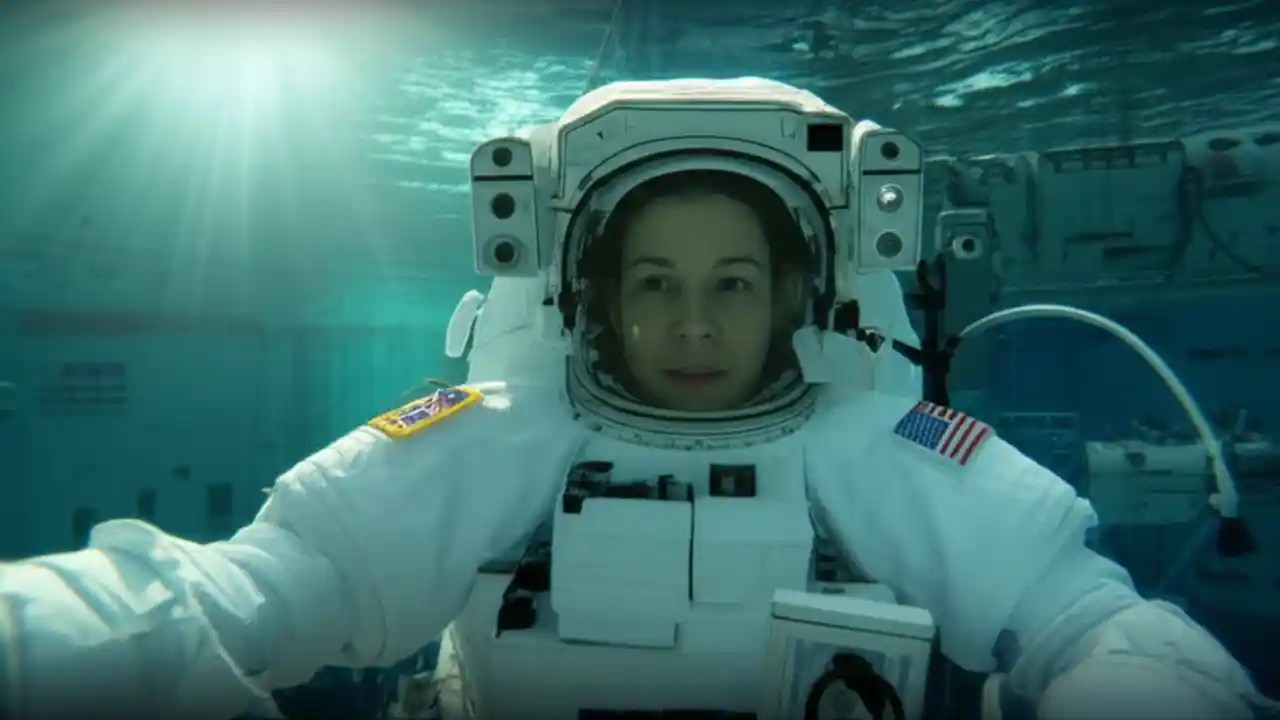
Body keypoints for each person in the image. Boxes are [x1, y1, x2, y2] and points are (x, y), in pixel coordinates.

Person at [1, 77, 1276, 720]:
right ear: (596, 296)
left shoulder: (881, 448)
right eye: (654, 281)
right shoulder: (497, 442)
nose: (691, 322)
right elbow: (251, 594)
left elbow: (1083, 624)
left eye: (732, 281)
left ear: (794, 293)